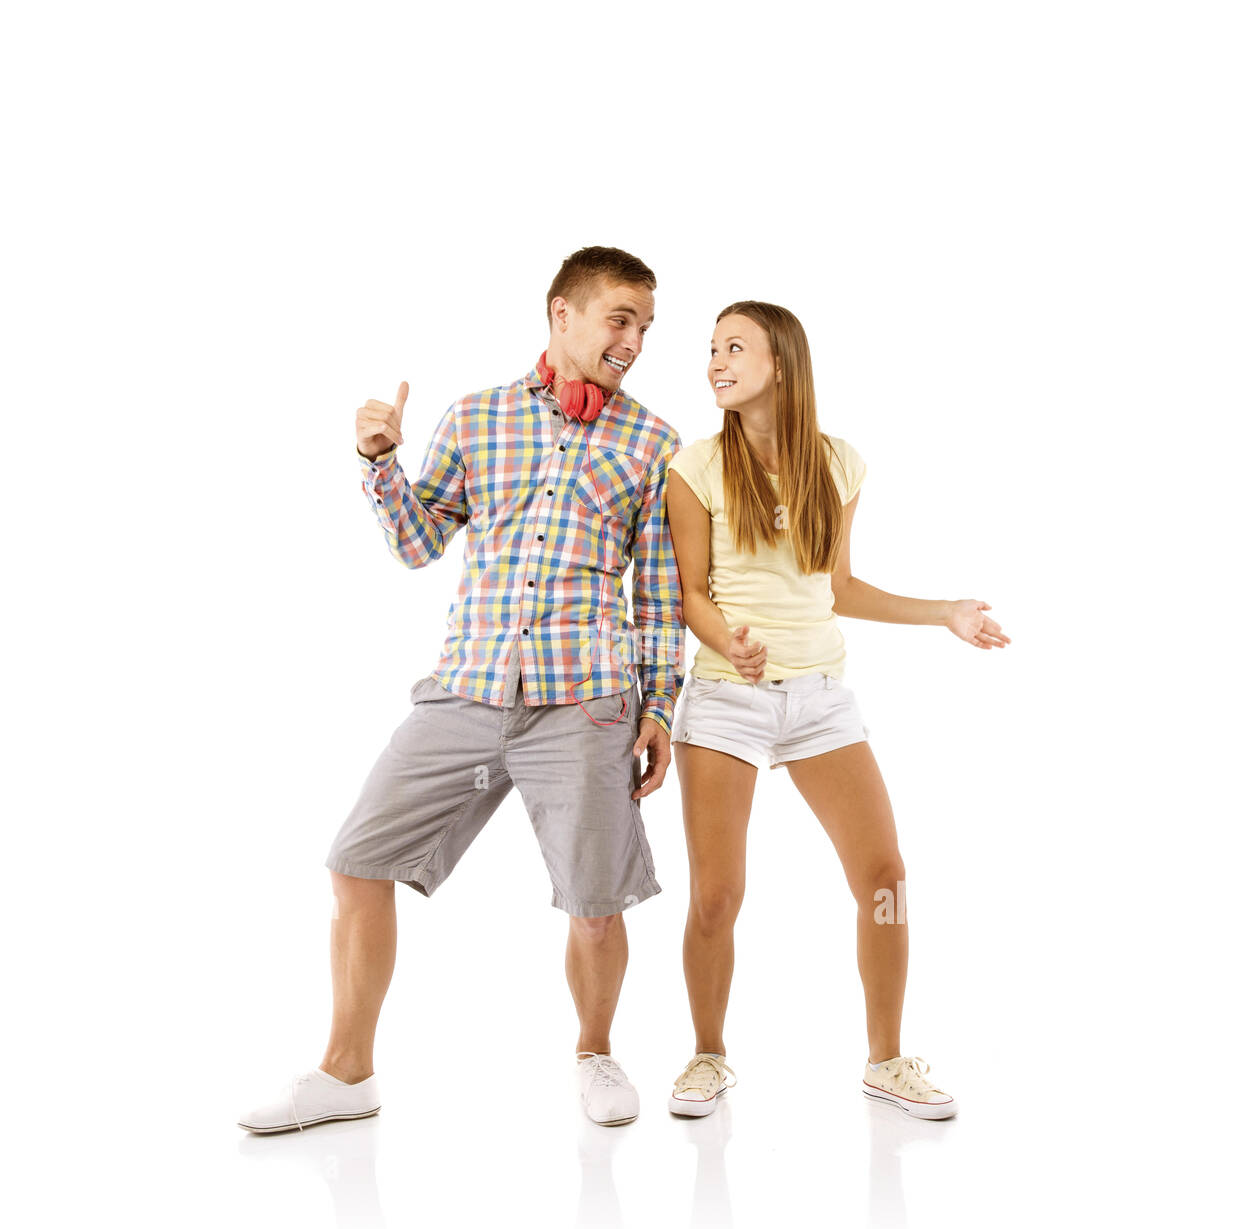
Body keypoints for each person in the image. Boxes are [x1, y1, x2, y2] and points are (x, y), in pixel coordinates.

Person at [238, 247, 684, 1134]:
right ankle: (348, 1073)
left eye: (644, 326)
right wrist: (377, 460)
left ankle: (594, 1053)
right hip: (466, 694)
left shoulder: (654, 442)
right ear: (561, 314)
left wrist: (658, 707)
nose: (632, 339)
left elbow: (660, 596)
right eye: (618, 318)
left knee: (595, 904)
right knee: (357, 861)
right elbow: (417, 543)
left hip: (585, 703)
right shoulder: (477, 419)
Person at [663, 300, 1010, 1121]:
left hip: (820, 701)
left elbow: (838, 585)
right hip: (725, 699)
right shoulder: (695, 466)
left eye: (734, 346)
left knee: (883, 877)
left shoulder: (839, 463)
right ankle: (707, 1055)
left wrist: (945, 612)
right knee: (717, 895)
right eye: (711, 348)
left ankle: (885, 1060)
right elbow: (689, 593)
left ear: (780, 361)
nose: (715, 360)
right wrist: (731, 641)